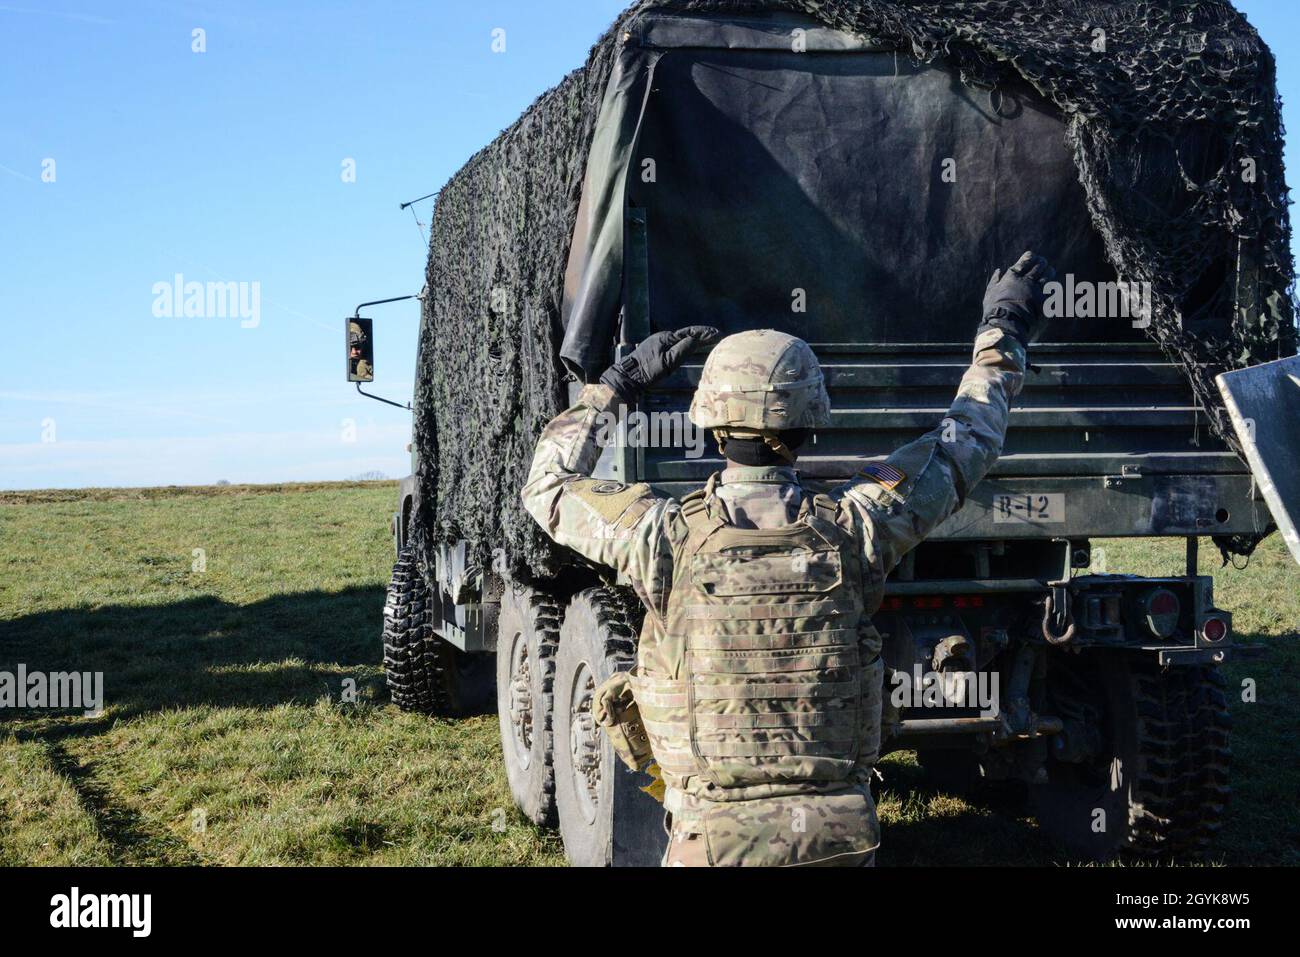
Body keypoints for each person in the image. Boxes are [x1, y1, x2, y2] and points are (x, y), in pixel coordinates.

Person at [522, 252, 1054, 866]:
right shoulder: (859, 528)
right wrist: (1003, 328)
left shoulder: (659, 537)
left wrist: (615, 387)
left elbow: (548, 485)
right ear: (810, 422)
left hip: (710, 844)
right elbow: (968, 438)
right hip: (839, 844)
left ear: (713, 426)